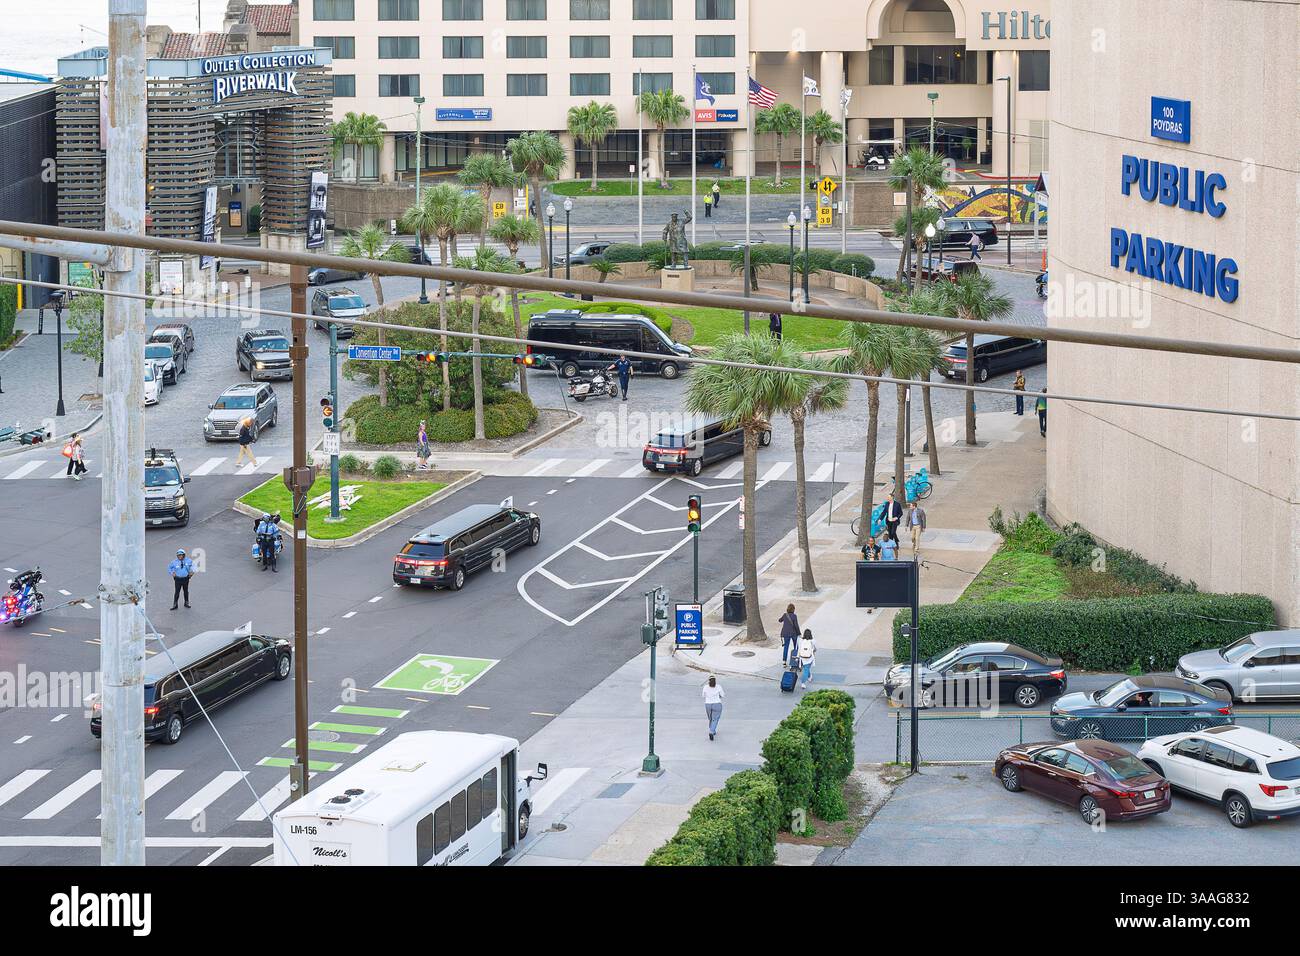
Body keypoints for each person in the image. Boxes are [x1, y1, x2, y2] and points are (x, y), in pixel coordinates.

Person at [702, 676, 725, 740]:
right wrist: (719, 696)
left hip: (708, 705)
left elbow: (703, 695)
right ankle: (712, 731)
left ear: (709, 681)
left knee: (710, 718)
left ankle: (712, 730)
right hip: (717, 704)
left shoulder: (705, 687)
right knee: (715, 718)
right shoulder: (719, 686)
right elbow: (723, 695)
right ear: (715, 680)